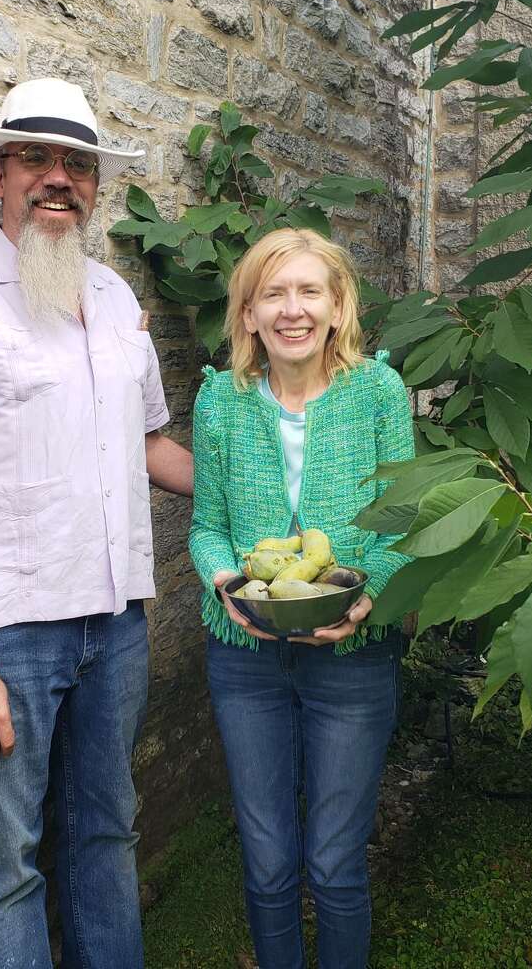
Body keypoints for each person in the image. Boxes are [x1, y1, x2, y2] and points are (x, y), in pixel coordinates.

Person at [0, 77, 193, 969]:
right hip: (8, 637)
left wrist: (259, 492)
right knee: (7, 871)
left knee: (107, 834)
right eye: (36, 158)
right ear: (0, 175)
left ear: (94, 186)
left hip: (116, 625)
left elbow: (147, 446)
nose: (59, 177)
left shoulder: (116, 300)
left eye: (78, 164)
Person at [188, 227, 414, 969]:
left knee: (335, 862)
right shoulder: (220, 400)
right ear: (248, 314)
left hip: (353, 659)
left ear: (338, 306)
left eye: (309, 291)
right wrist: (224, 582)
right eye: (273, 295)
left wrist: (368, 597)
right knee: (267, 859)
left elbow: (401, 521)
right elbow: (208, 528)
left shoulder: (377, 393)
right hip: (244, 659)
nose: (293, 310)